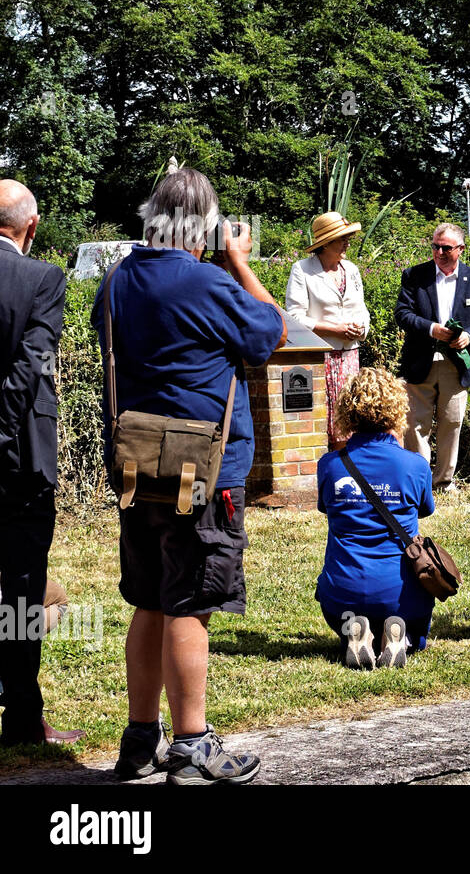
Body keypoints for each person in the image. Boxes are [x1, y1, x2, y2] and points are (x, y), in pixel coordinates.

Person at [92, 168, 286, 784]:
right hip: (204, 470)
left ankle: (139, 739)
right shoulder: (208, 281)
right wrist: (239, 263)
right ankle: (192, 745)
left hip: (136, 462)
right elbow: (272, 332)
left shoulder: (116, 279)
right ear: (204, 227)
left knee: (149, 599)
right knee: (191, 603)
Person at [0, 179, 83, 748]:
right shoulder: (43, 278)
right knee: (23, 593)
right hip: (20, 459)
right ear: (30, 226)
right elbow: (30, 368)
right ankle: (24, 718)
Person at [316, 367, 435, 670]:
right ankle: (402, 638)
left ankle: (355, 633)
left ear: (347, 412)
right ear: (397, 410)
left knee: (342, 609)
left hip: (343, 591)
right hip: (401, 594)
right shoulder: (416, 465)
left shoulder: (329, 465)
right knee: (416, 621)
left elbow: (326, 508)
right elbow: (425, 509)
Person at [396, 223, 470, 491]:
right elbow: (402, 314)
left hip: (456, 363)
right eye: (435, 247)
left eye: (446, 248)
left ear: (461, 249)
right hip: (419, 360)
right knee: (415, 424)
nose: (439, 252)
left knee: (452, 421)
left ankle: (443, 481)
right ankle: (420, 481)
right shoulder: (414, 275)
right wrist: (431, 329)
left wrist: (468, 335)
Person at [286, 210, 370, 451]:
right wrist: (334, 329)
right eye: (342, 239)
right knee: (324, 421)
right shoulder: (302, 270)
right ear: (325, 243)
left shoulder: (351, 269)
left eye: (348, 238)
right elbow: (294, 317)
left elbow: (362, 309)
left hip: (350, 357)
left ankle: (348, 467)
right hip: (321, 357)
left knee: (350, 419)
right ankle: (327, 467)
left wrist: (361, 328)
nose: (347, 243)